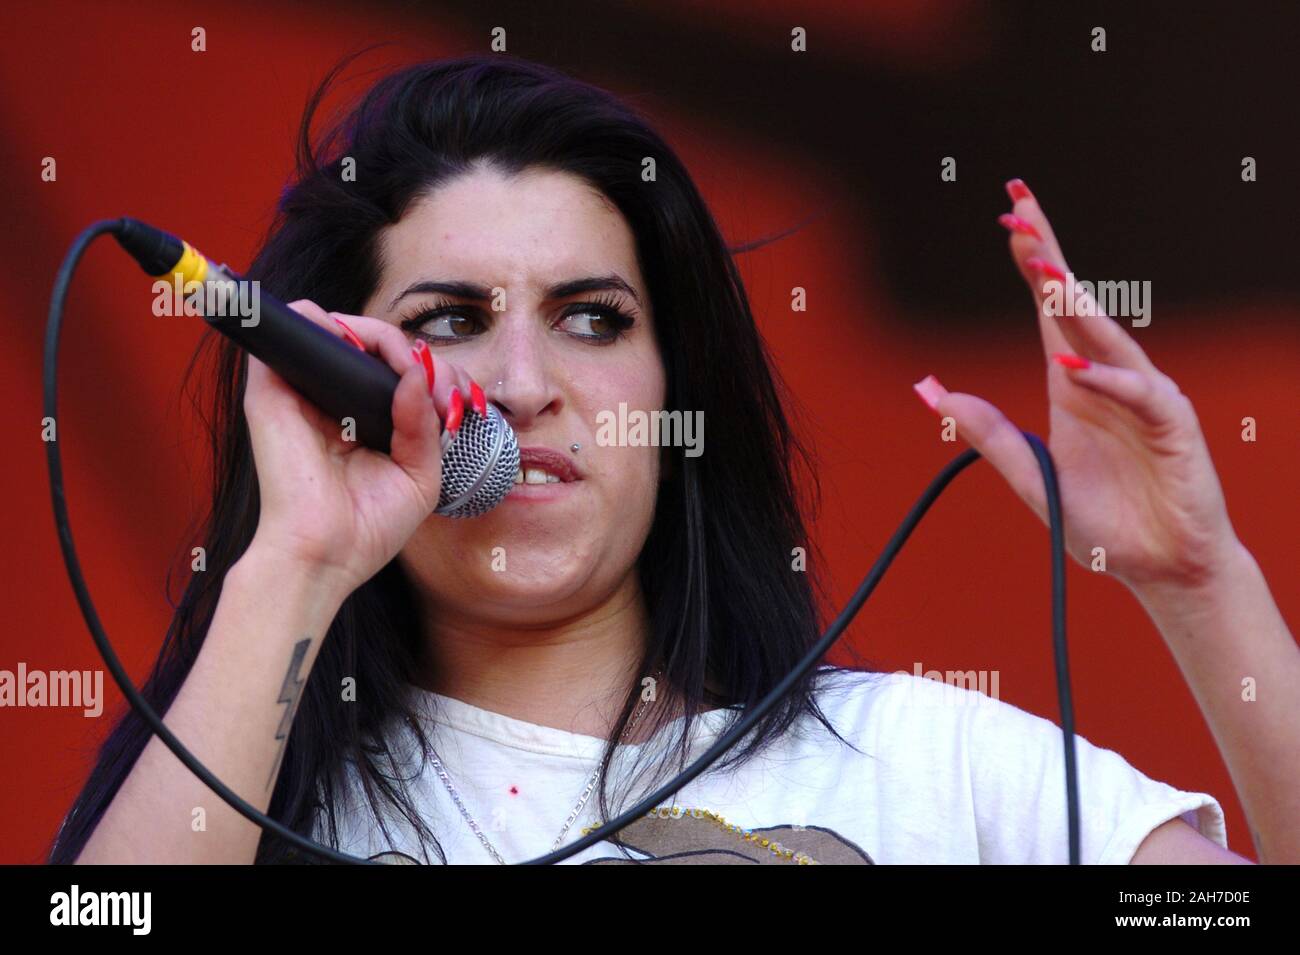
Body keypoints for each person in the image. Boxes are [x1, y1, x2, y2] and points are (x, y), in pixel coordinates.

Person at [50, 53, 1295, 865]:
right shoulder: (247, 814)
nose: (525, 383)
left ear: (675, 390)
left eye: (594, 318)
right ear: (350, 394)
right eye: (449, 322)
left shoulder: (940, 767)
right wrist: (298, 560)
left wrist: (1199, 579)